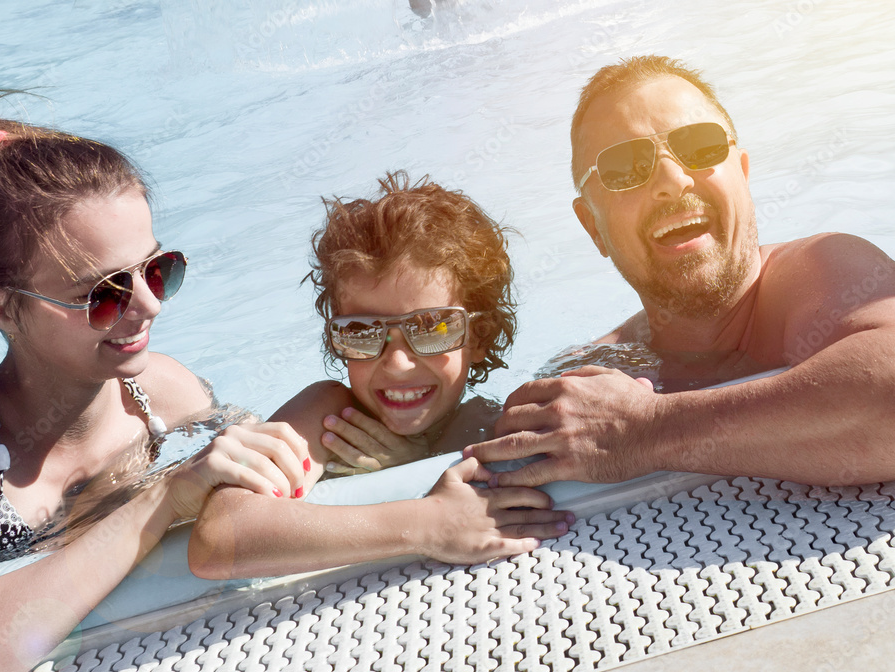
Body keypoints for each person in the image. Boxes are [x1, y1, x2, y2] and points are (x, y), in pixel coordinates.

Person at [0, 86, 307, 672]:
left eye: (159, 271)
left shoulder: (166, 396)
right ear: (1, 308)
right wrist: (165, 498)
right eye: (105, 294)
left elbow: (275, 484)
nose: (147, 306)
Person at [466, 55, 895, 488]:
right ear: (593, 226)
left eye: (699, 145)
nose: (673, 180)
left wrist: (646, 430)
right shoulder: (592, 373)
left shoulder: (822, 270)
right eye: (627, 166)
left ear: (743, 175)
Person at [188, 172, 574, 580]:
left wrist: (416, 466)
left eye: (431, 327)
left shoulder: (486, 426)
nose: (397, 364)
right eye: (361, 332)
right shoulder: (331, 415)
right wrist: (428, 522)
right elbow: (219, 539)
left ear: (477, 336)